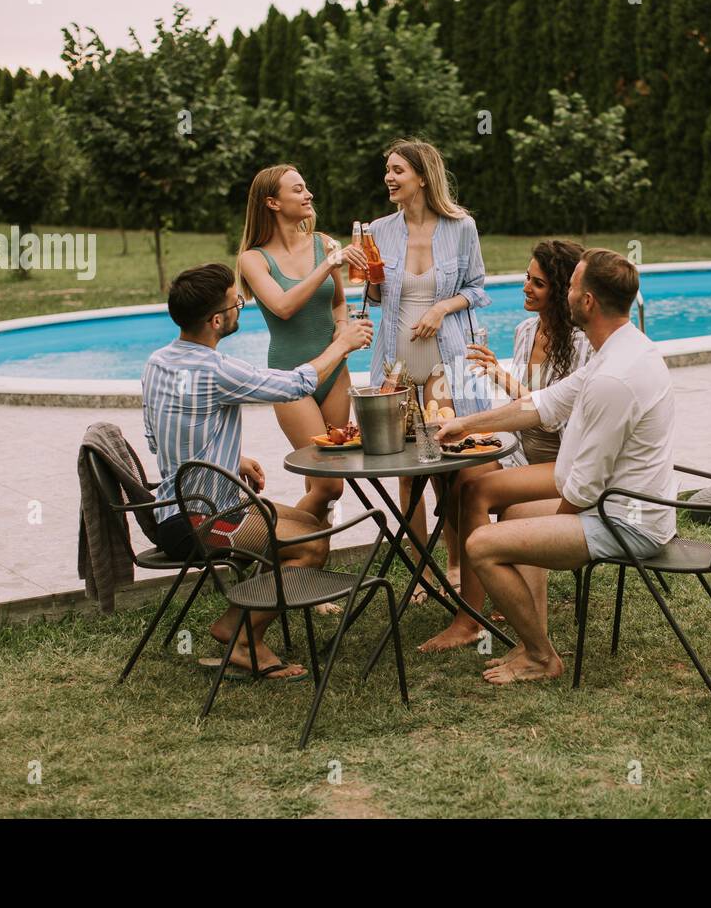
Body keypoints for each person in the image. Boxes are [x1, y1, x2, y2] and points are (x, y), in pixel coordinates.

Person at [435, 248, 676, 685]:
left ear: (588, 302)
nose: (564, 294)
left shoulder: (612, 379)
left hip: (625, 520)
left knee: (484, 544)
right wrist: (465, 424)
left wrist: (544, 541)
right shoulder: (621, 349)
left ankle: (542, 657)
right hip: (614, 503)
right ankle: (530, 637)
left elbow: (583, 490)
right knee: (514, 516)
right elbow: (541, 405)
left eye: (569, 287)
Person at [143, 262, 372, 678]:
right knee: (312, 547)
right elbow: (294, 386)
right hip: (203, 519)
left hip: (172, 510)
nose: (240, 309)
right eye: (238, 304)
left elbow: (159, 439)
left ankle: (238, 619)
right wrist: (342, 344)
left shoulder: (157, 362)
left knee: (306, 522)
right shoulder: (216, 369)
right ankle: (244, 638)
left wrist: (231, 460)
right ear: (217, 320)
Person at [417, 239, 591, 653]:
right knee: (460, 469)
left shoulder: (585, 343)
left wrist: (501, 377)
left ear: (564, 289)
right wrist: (478, 430)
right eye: (527, 279)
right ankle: (484, 590)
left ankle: (468, 620)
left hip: (565, 462)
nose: (526, 288)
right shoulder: (526, 330)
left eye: (539, 283)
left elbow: (559, 415)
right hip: (523, 456)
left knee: (477, 490)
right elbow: (522, 407)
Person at [365, 138, 492, 598]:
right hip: (395, 361)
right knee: (407, 470)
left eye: (398, 170)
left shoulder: (461, 227)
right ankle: (420, 570)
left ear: (422, 175)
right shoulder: (379, 229)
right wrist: (369, 279)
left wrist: (441, 308)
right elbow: (375, 299)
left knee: (448, 466)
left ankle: (457, 563)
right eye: (388, 170)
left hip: (443, 358)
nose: (389, 178)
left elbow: (478, 289)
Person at [237, 164, 369, 528]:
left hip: (335, 370)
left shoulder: (322, 243)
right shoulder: (254, 258)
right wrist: (327, 264)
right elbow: (282, 307)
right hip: (289, 377)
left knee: (323, 480)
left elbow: (338, 302)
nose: (307, 194)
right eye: (296, 190)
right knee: (329, 484)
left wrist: (343, 333)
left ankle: (311, 563)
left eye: (306, 187)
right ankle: (281, 542)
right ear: (272, 203)